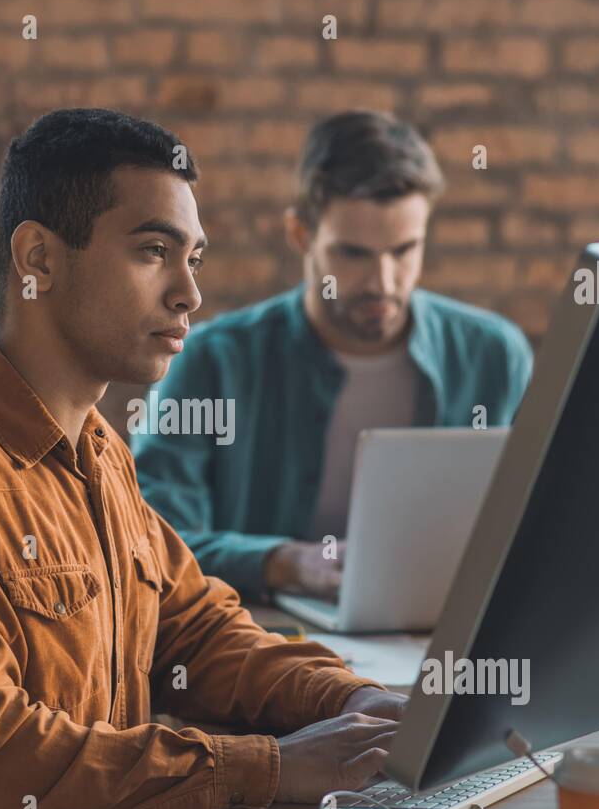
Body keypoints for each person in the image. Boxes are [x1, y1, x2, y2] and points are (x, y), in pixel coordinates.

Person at [0, 107, 409, 809]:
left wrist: (357, 701)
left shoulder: (96, 452)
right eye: (152, 252)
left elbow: (198, 633)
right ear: (38, 258)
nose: (188, 295)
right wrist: (267, 767)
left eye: (193, 259)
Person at [132, 110, 534, 602]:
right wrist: (283, 563)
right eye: (354, 254)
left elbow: (539, 528)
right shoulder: (214, 362)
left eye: (405, 251)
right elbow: (152, 541)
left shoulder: (495, 356)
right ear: (301, 235)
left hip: (435, 640)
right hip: (264, 646)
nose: (383, 283)